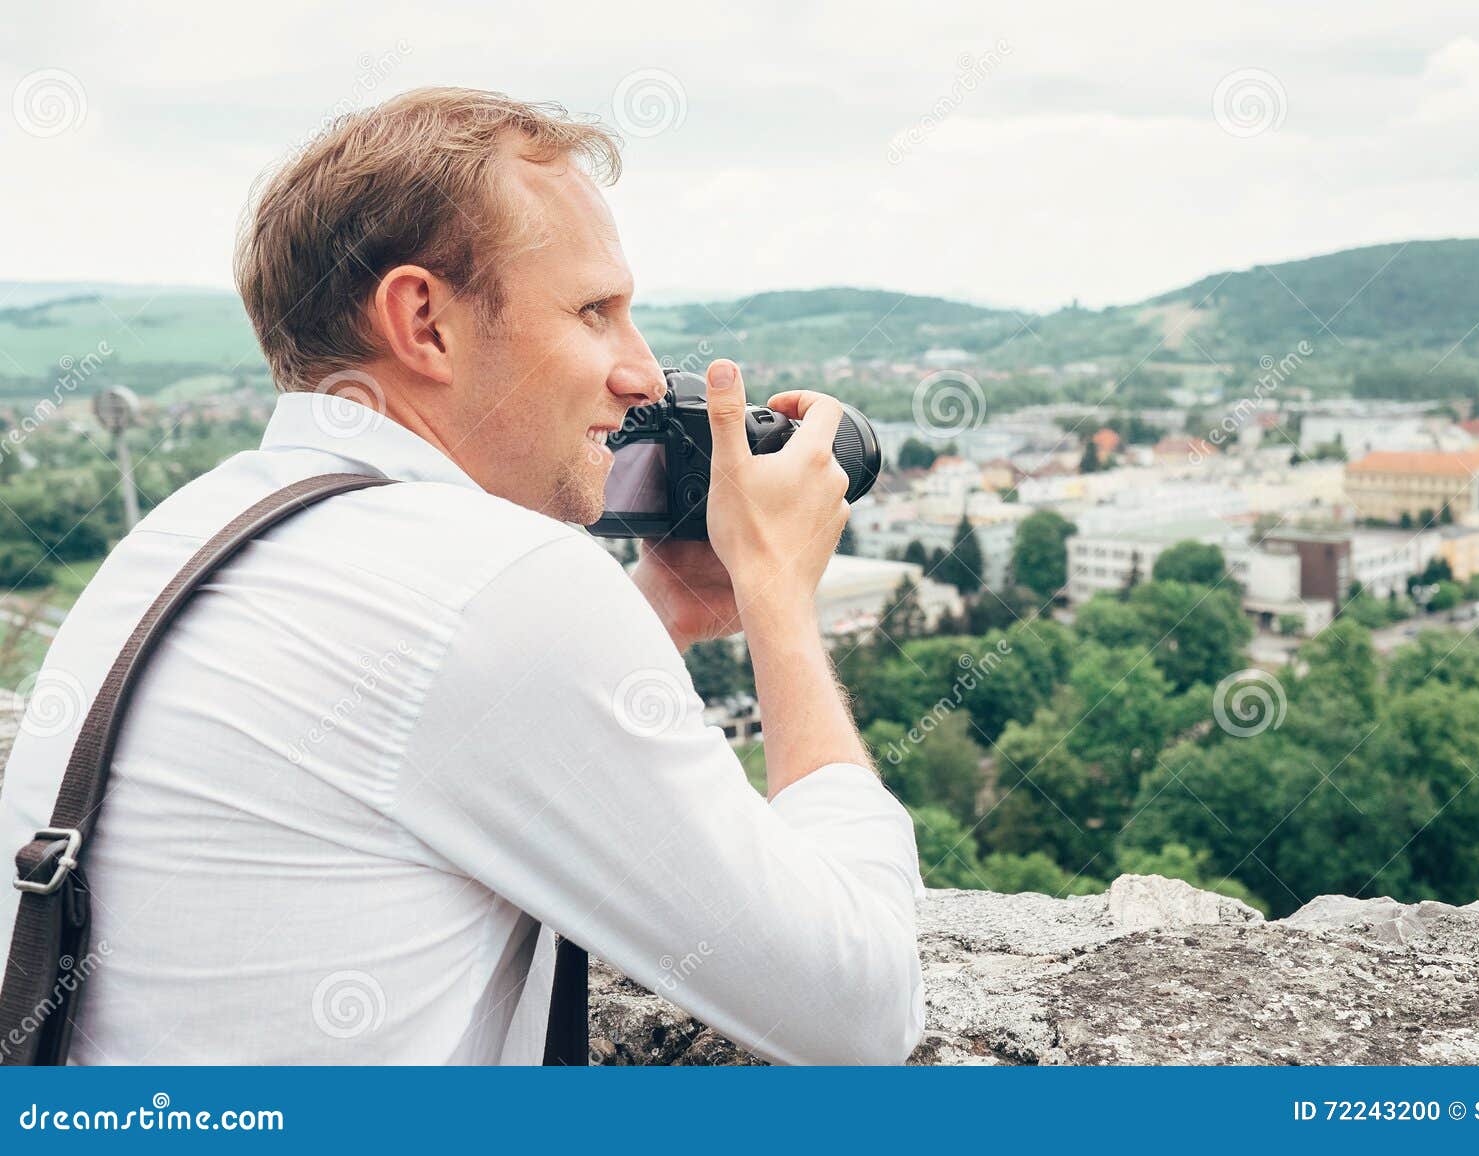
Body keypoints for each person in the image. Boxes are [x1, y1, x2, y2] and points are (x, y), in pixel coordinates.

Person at [0, 88, 924, 1064]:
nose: (647, 374)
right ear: (424, 320)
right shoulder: (502, 582)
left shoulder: (178, 537)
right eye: (594, 311)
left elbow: (431, 728)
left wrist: (668, 608)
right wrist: (778, 595)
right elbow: (858, 1014)